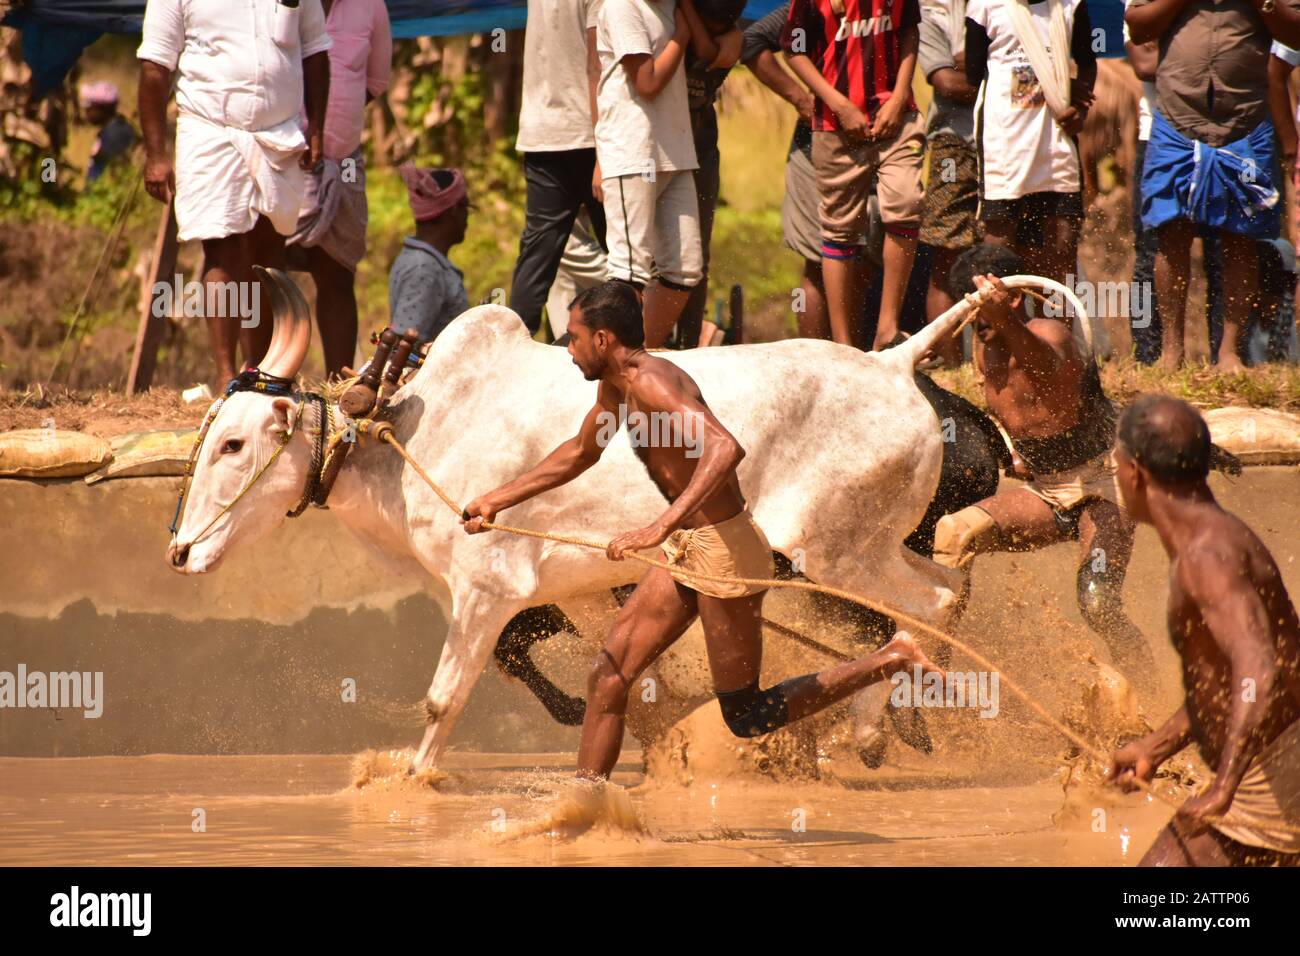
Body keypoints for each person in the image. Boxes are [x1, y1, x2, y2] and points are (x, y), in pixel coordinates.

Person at [460, 280, 937, 780]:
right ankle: (588, 806)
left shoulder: (651, 383)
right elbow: (581, 451)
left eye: (575, 338)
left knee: (746, 713)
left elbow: (724, 448)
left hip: (726, 551)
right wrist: (498, 500)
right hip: (687, 546)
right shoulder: (617, 386)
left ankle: (890, 658)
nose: (570, 350)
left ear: (602, 340)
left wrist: (656, 526)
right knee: (608, 677)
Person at [932, 244, 1157, 696]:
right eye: (968, 311)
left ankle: (1152, 695)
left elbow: (1048, 368)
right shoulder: (984, 346)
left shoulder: (1048, 332)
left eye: (980, 308)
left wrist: (1005, 320)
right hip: (1045, 490)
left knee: (1097, 601)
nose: (974, 321)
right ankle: (931, 668)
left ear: (1011, 299)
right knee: (952, 533)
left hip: (1105, 482)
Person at [1108, 395, 1300, 867]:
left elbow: (1259, 665)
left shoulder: (1205, 558)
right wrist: (1156, 747)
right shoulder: (1207, 541)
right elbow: (1223, 677)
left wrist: (1222, 787)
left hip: (1272, 776)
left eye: (1114, 464)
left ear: (1135, 472)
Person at [137, 0, 331, 391]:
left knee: (267, 254)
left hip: (279, 134)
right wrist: (156, 154)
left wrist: (316, 130)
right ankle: (227, 376)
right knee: (223, 246)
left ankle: (260, 373)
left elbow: (315, 52)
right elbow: (155, 67)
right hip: (210, 129)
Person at [1126, 0, 1300, 371]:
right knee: (1170, 234)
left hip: (1245, 120)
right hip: (1176, 119)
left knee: (1241, 237)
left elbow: (1294, 34)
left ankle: (1229, 353)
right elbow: (1138, 27)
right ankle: (1172, 352)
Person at [782, 0, 926, 351]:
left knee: (906, 201)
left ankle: (887, 329)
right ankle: (843, 345)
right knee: (839, 228)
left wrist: (897, 99)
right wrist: (839, 104)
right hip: (835, 126)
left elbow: (909, 32)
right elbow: (794, 51)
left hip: (897, 118)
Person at [285, 0, 391, 380]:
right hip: (284, 159)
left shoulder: (370, 6)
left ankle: (338, 382)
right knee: (266, 272)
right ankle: (264, 377)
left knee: (337, 274)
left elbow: (376, 82)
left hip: (344, 163)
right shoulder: (277, 6)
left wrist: (333, 118)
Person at [594, 0, 704, 347]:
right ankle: (613, 370)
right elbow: (647, 81)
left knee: (685, 269)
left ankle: (641, 356)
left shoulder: (674, 6)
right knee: (629, 271)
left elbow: (714, 50)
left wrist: (689, 22)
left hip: (675, 152)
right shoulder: (622, 6)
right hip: (633, 150)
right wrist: (682, 35)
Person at [964, 0, 1096, 287]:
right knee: (1000, 254)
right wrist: (1050, 82)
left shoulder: (1071, 5)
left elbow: (1088, 62)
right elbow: (974, 74)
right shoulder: (985, 6)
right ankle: (1006, 329)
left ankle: (1054, 332)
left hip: (1056, 143)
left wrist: (1081, 112)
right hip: (1005, 144)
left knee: (1061, 248)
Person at [510, 0, 607, 336]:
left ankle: (512, 353)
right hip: (588, 134)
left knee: (536, 261)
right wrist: (604, 150)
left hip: (542, 134)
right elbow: (597, 65)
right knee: (627, 260)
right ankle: (649, 352)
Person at [676, 0, 745, 348]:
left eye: (725, 24)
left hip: (700, 149)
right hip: (658, 151)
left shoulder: (731, 38)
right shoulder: (663, 20)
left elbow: (706, 48)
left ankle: (688, 342)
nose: (719, 27)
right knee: (651, 257)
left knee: (695, 255)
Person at [919, 0, 979, 366]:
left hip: (1008, 141)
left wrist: (967, 63)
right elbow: (945, 81)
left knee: (998, 252)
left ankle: (998, 359)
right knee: (946, 255)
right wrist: (1001, 78)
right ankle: (953, 366)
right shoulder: (930, 13)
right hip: (953, 144)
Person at [387, 166, 470, 344]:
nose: (467, 218)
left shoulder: (424, 262)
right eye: (467, 208)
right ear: (454, 211)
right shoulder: (423, 269)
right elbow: (405, 349)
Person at [79, 81, 137, 183]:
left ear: (103, 109)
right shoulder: (112, 130)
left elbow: (114, 173)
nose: (86, 112)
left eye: (90, 107)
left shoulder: (116, 135)